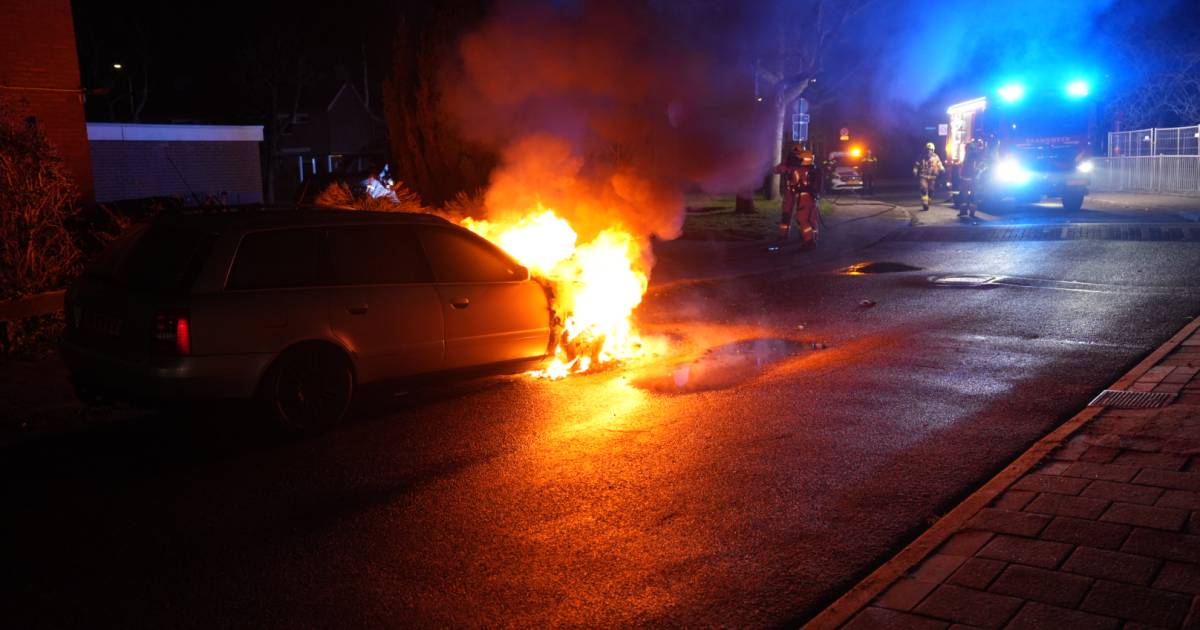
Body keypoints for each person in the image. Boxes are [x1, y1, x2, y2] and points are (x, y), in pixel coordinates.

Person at [774, 143, 823, 247]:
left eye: (798, 153)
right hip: (791, 192)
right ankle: (784, 234)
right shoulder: (789, 163)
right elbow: (777, 170)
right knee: (787, 214)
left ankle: (808, 237)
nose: (796, 156)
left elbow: (802, 179)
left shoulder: (805, 166)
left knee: (803, 216)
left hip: (802, 193)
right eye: (795, 153)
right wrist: (785, 168)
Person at [957, 137, 985, 218]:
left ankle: (970, 212)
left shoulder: (974, 157)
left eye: (968, 148)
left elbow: (980, 167)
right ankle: (965, 211)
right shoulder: (970, 157)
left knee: (971, 196)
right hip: (968, 179)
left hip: (972, 179)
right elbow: (964, 167)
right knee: (966, 196)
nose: (967, 150)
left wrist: (976, 174)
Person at [912, 142, 944, 211]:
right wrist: (915, 170)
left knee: (931, 190)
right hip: (923, 176)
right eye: (927, 150)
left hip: (932, 177)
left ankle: (928, 200)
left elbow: (939, 163)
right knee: (924, 189)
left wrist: (942, 168)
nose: (929, 151)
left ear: (933, 150)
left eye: (930, 150)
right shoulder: (921, 156)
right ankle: (925, 204)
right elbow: (916, 164)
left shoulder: (936, 157)